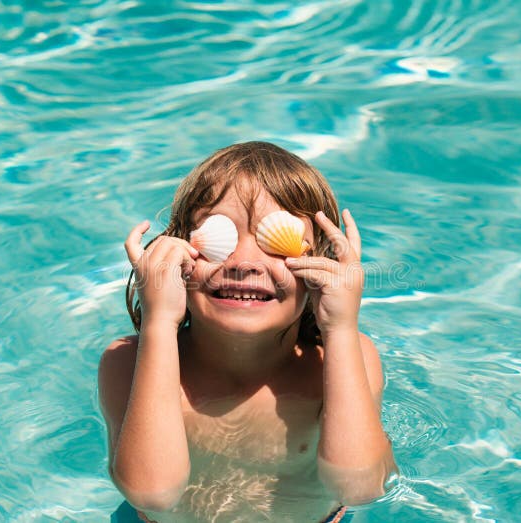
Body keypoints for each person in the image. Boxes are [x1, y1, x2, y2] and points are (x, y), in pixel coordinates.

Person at [99, 141, 397, 522]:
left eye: (278, 240)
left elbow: (360, 487)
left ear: (322, 266)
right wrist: (159, 324)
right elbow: (153, 495)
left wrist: (340, 328)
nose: (244, 263)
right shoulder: (126, 361)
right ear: (176, 256)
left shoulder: (340, 358)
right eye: (217, 237)